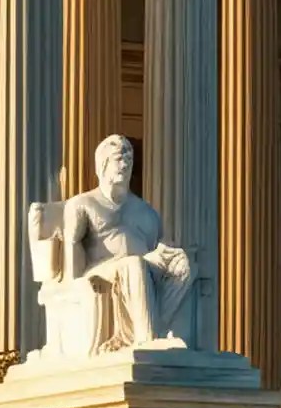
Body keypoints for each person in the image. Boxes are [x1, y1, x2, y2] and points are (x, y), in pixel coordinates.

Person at [60, 134, 194, 352]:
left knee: (183, 266)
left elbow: (154, 248)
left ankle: (154, 328)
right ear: (102, 164)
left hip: (141, 267)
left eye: (129, 160)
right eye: (118, 159)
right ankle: (146, 340)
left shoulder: (146, 211)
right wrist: (75, 284)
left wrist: (166, 254)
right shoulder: (82, 204)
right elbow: (73, 252)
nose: (125, 165)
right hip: (100, 271)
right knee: (134, 264)